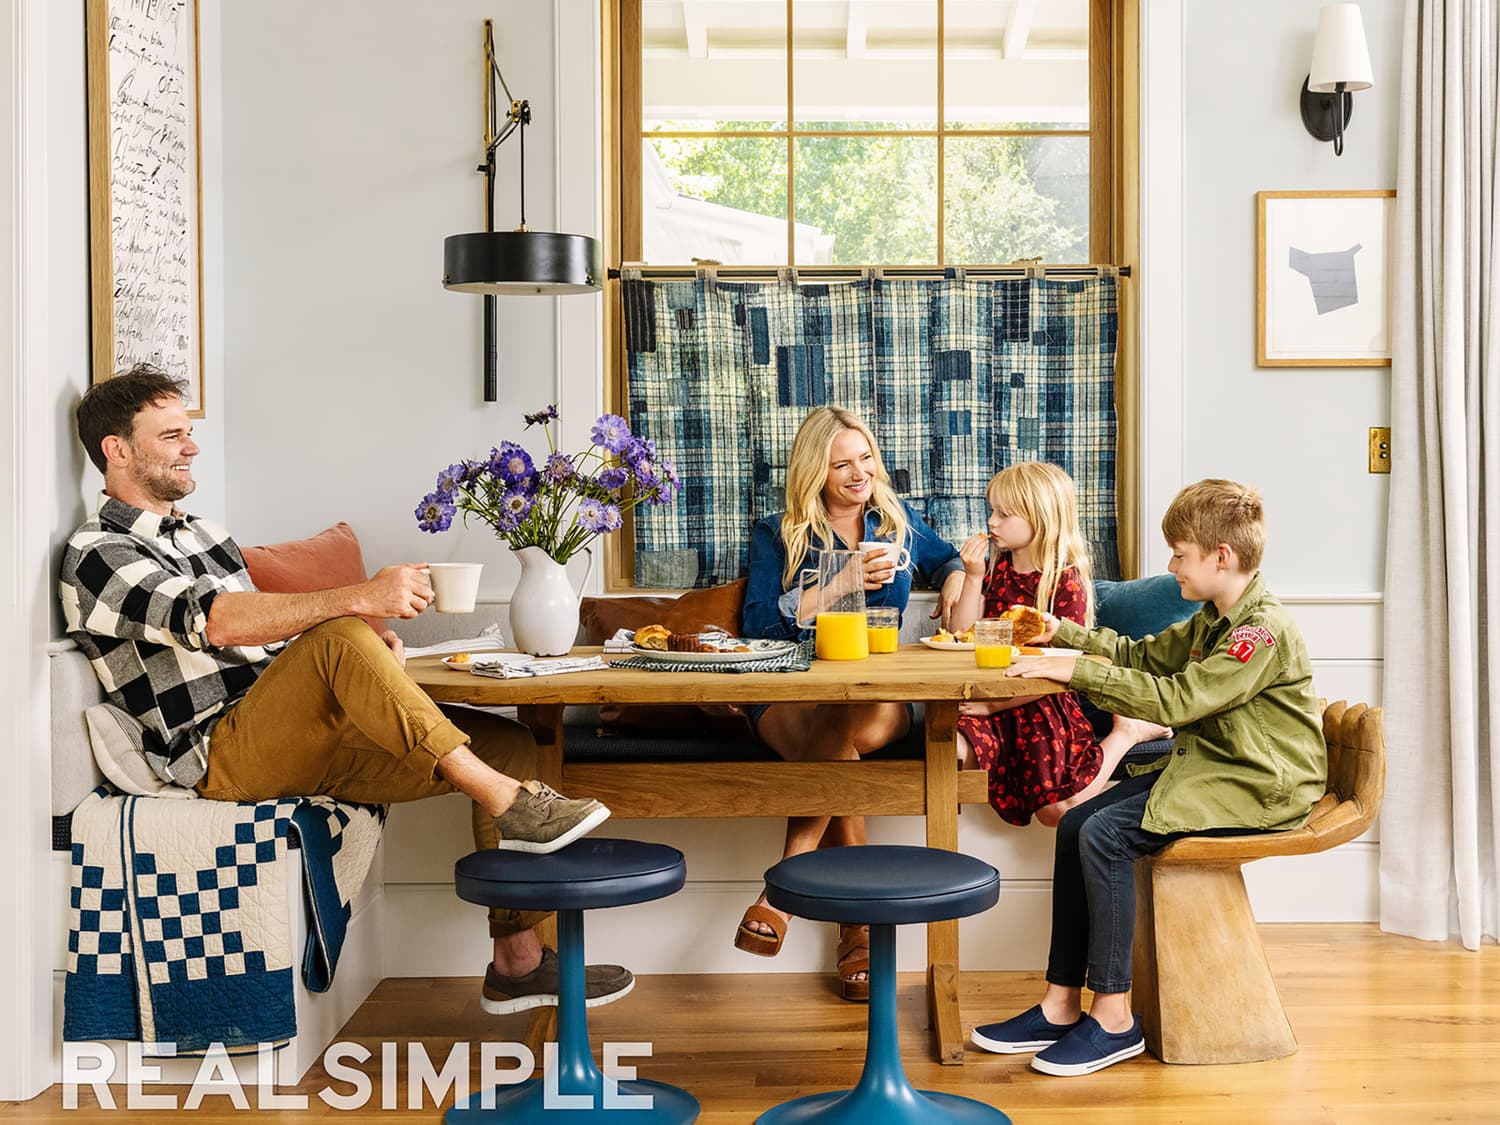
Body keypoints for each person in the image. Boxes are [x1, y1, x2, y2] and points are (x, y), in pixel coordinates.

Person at [58, 365, 631, 1016]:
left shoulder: (204, 535)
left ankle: (517, 962)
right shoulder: (98, 550)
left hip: (289, 728)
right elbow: (212, 620)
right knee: (341, 634)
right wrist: (358, 604)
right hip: (221, 752)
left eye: (189, 432)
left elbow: (267, 642)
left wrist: (372, 663)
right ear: (117, 449)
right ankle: (509, 801)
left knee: (508, 741)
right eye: (171, 435)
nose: (190, 446)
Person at [969, 479, 1326, 1077]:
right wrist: (1066, 634)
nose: (1171, 566)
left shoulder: (1258, 633)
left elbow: (1180, 699)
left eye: (1180, 554)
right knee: (1078, 821)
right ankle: (1059, 1006)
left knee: (1106, 835)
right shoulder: (1215, 617)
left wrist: (1076, 670)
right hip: (1215, 769)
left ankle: (1112, 1019)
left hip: (1261, 785)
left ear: (1222, 557)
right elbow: (1143, 655)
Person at [738, 405, 966, 1000]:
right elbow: (757, 623)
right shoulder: (777, 532)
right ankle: (857, 938)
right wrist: (837, 583)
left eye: (865, 457)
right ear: (815, 470)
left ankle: (779, 891)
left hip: (875, 693)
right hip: (790, 695)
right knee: (833, 735)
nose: (859, 472)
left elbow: (953, 559)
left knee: (842, 724)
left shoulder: (896, 520)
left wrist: (953, 583)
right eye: (842, 463)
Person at [947, 462, 1169, 828]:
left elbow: (1064, 669)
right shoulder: (998, 569)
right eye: (992, 511)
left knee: (1056, 813)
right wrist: (973, 577)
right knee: (947, 750)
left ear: (1041, 518)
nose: (992, 522)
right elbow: (963, 635)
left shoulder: (1064, 583)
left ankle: (1128, 731)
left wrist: (993, 704)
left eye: (1004, 514)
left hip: (1039, 701)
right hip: (992, 694)